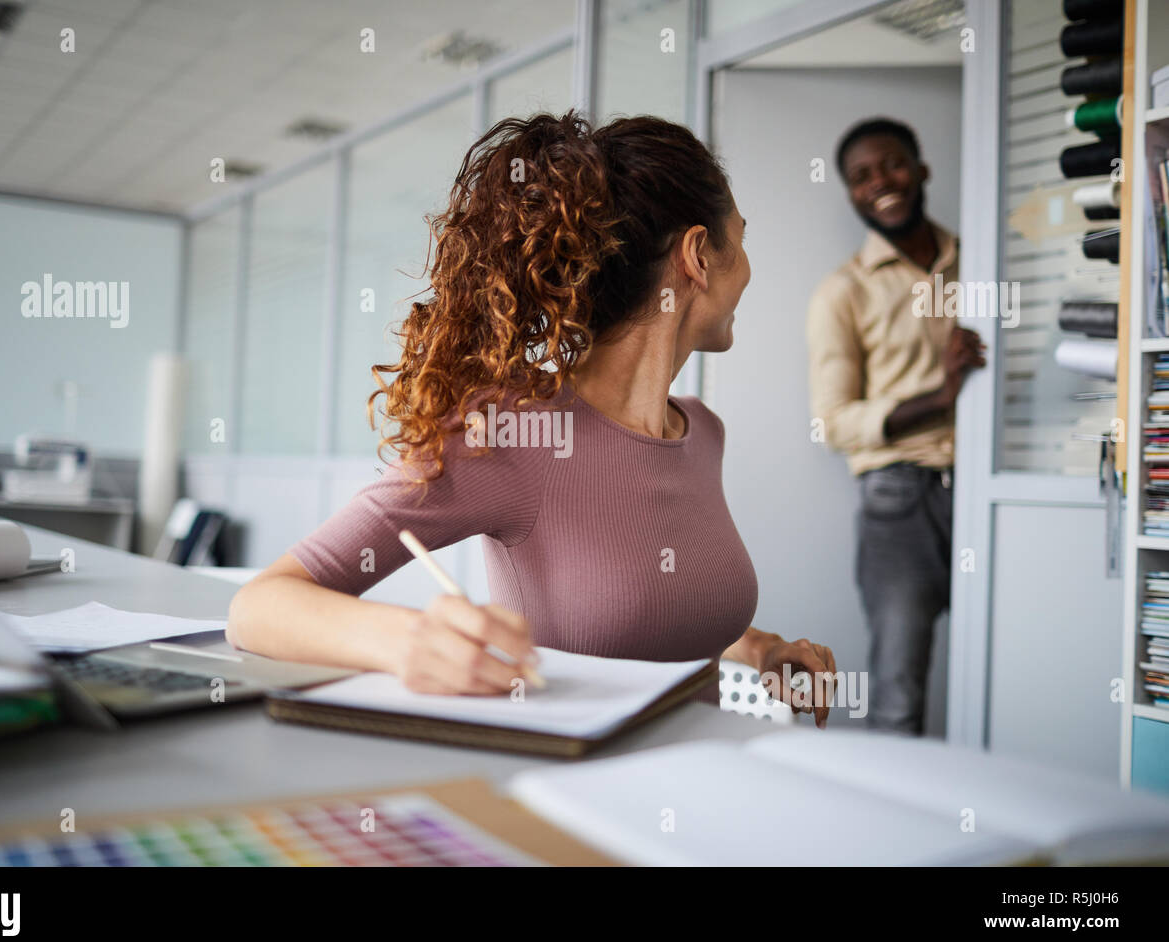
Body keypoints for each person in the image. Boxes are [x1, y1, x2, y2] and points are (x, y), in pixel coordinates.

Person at [229, 111, 837, 725]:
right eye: (742, 238)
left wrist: (759, 648)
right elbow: (260, 606)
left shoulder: (704, 433)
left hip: (707, 793)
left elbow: (652, 607)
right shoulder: (509, 434)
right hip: (569, 798)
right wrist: (407, 642)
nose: (750, 269)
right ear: (698, 256)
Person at [807, 117, 985, 736]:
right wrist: (939, 396)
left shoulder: (981, 259)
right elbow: (832, 422)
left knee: (1000, 679)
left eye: (893, 164)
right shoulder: (843, 292)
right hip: (897, 507)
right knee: (897, 696)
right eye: (861, 176)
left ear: (922, 168)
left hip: (985, 493)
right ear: (851, 193)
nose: (881, 182)